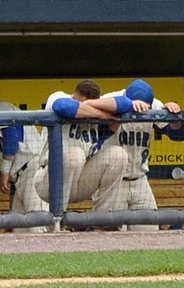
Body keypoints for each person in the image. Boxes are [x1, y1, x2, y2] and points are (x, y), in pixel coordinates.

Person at [31, 80, 129, 222]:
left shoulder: (98, 104)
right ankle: (57, 222)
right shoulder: (59, 96)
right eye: (87, 104)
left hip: (81, 181)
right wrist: (100, 114)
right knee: (75, 155)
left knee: (119, 155)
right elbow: (63, 107)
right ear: (82, 98)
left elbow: (126, 104)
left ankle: (101, 220)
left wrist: (93, 105)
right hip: (49, 182)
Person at [97, 79, 184, 230]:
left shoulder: (155, 104)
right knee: (111, 234)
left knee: (149, 231)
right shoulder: (110, 100)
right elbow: (97, 135)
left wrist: (174, 118)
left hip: (140, 180)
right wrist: (124, 109)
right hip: (113, 181)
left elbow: (179, 136)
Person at [0, 101, 45, 232]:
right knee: (19, 229)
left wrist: (4, 173)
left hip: (32, 169)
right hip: (22, 176)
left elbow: (11, 138)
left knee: (37, 226)